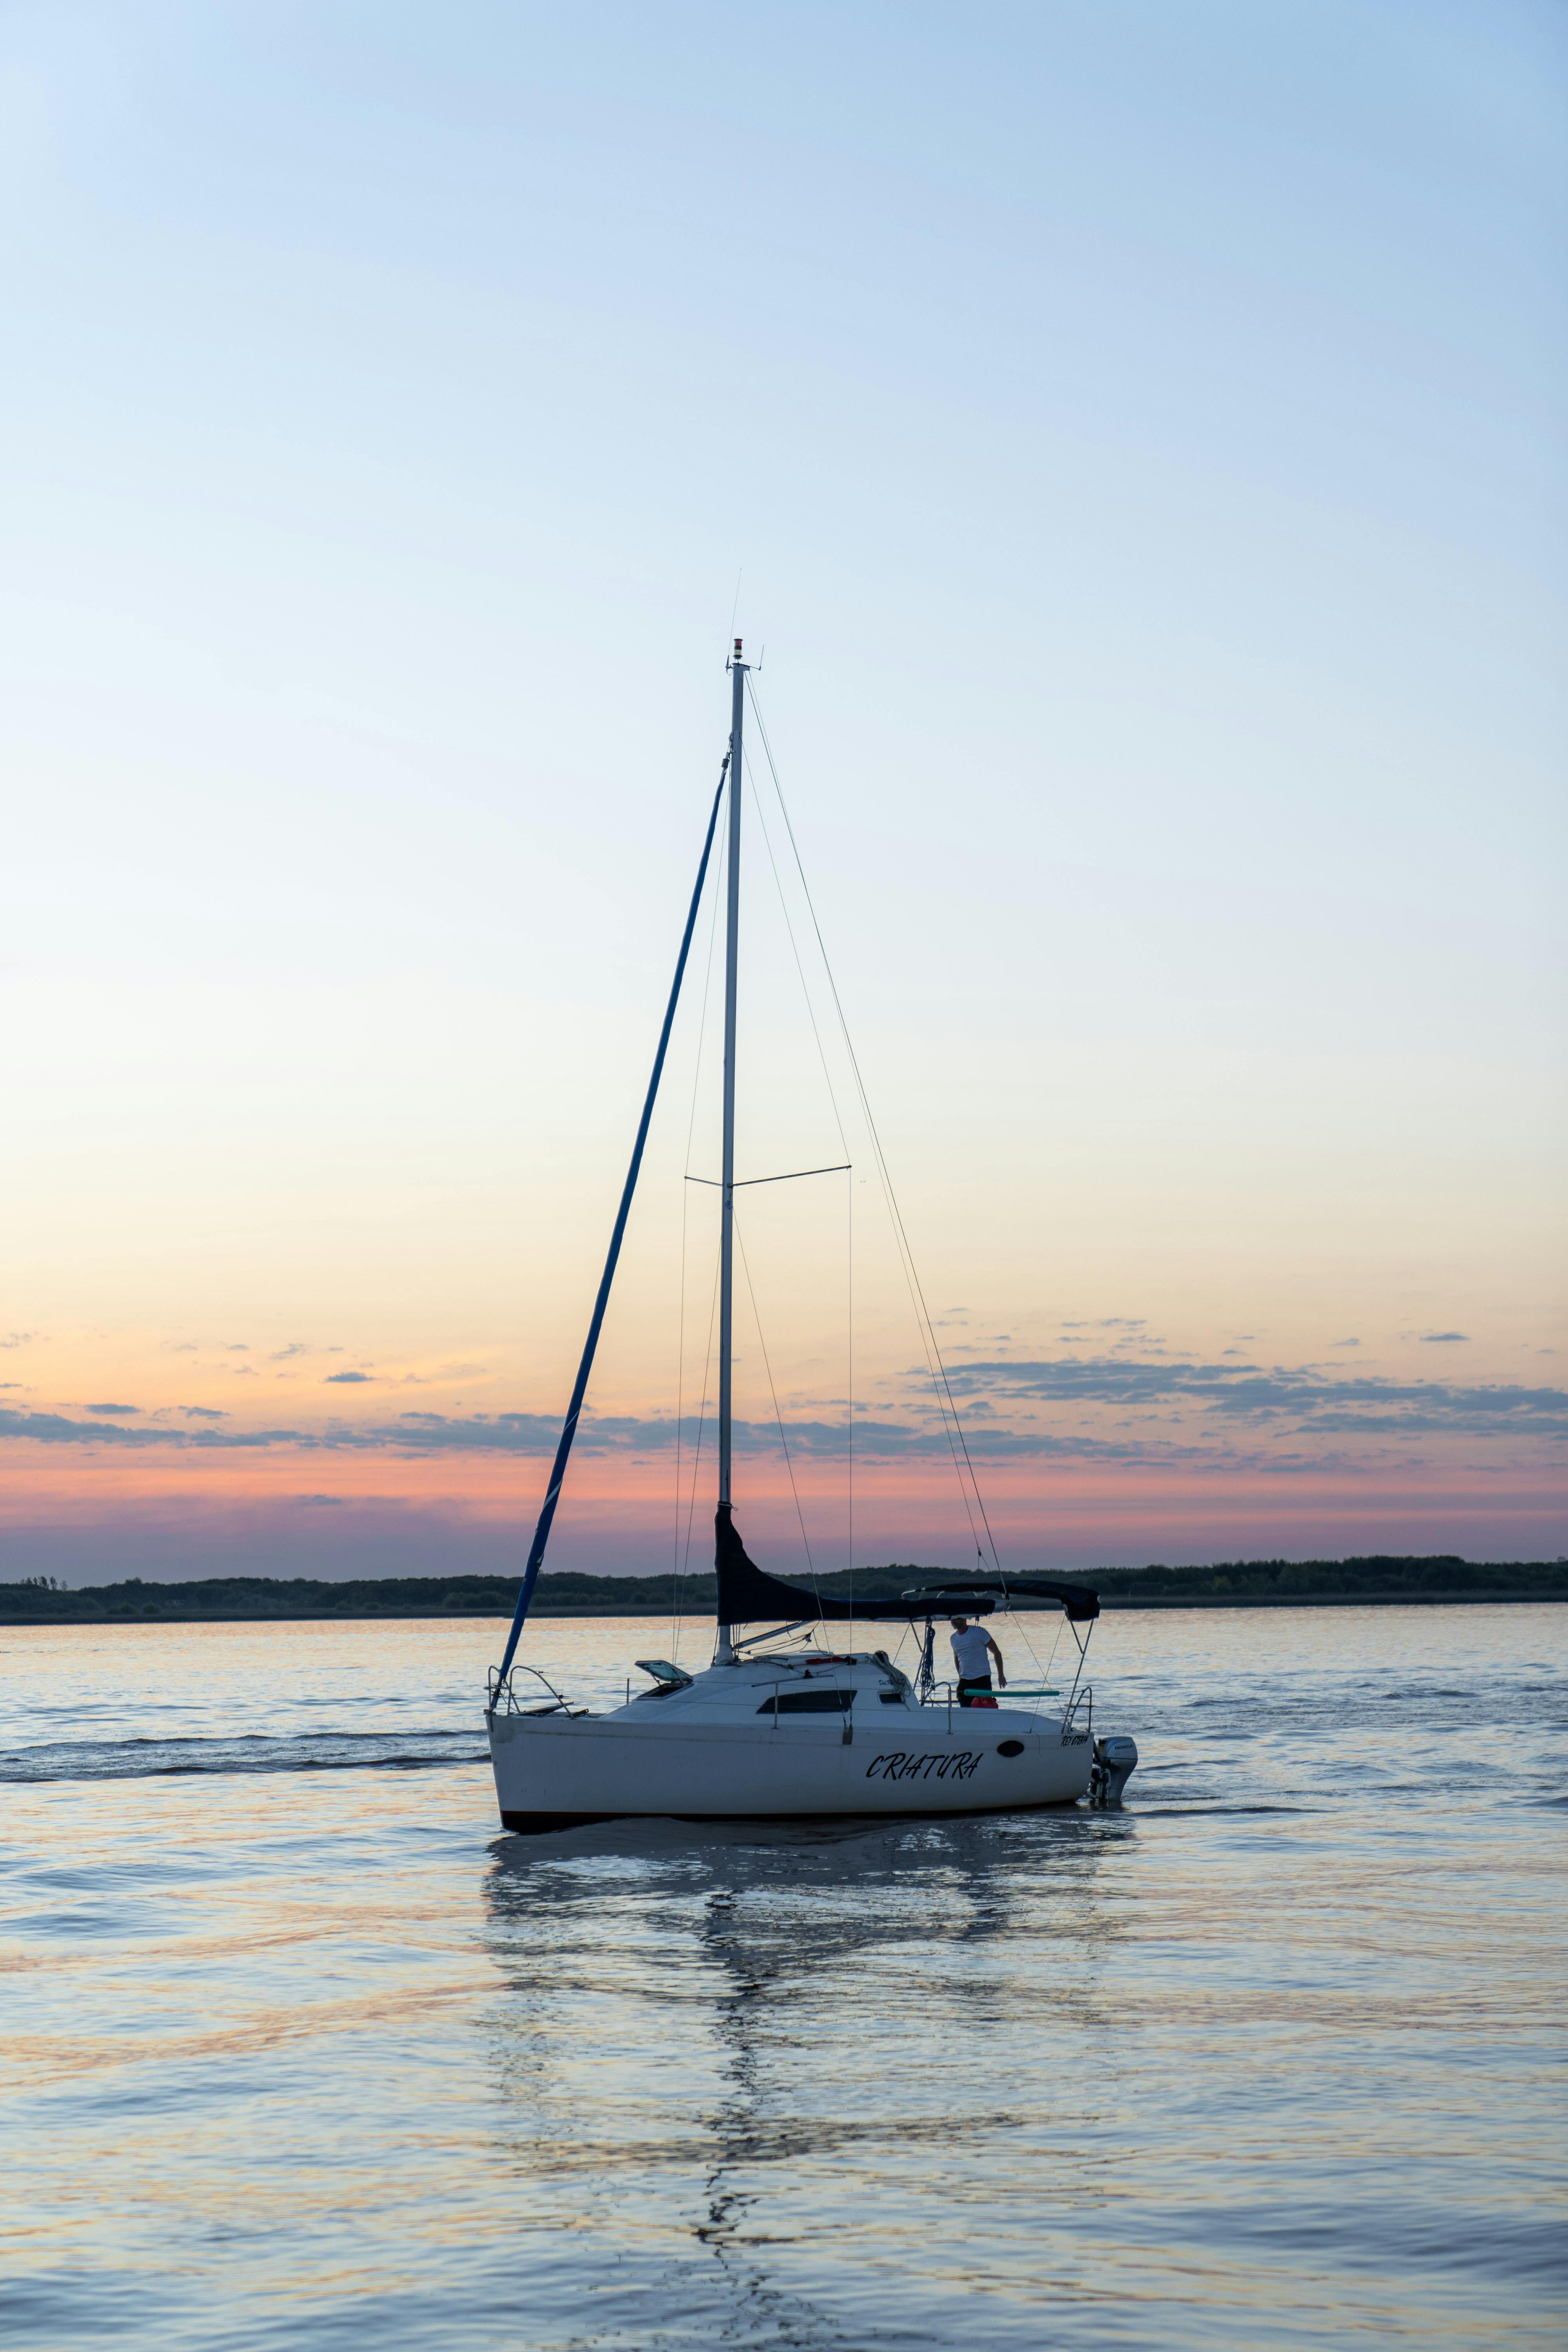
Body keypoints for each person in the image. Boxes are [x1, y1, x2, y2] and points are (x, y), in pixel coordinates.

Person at [949, 1615, 1005, 1706]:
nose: (953, 1621)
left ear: (964, 1619)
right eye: (952, 1619)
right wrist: (960, 1675)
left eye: (957, 1619)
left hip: (982, 1679)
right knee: (965, 1710)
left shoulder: (978, 1632)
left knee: (982, 1710)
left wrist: (1001, 1676)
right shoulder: (953, 1639)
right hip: (965, 1681)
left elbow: (997, 1653)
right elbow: (957, 1658)